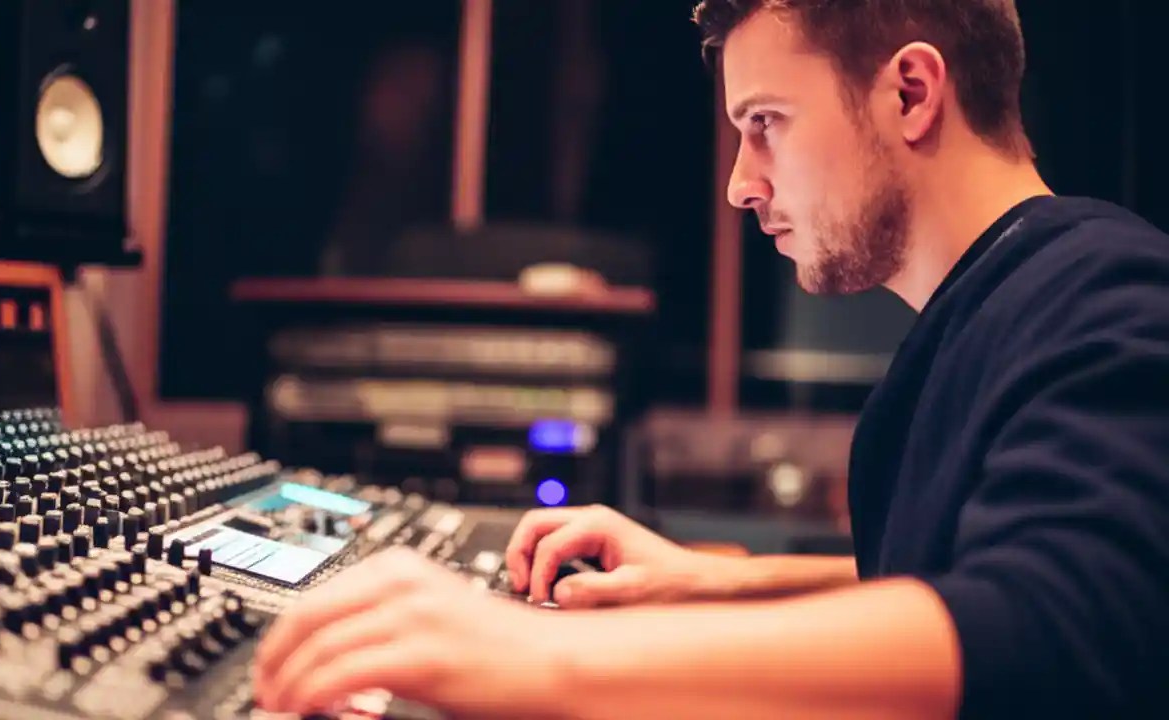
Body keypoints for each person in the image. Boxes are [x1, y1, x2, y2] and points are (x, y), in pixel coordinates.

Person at [252, 1, 1169, 717]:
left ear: (911, 93)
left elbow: (1050, 624)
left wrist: (529, 655)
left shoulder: (1106, 287)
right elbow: (939, 575)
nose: (741, 182)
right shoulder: (974, 325)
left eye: (766, 121)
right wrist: (710, 580)